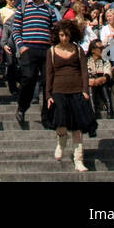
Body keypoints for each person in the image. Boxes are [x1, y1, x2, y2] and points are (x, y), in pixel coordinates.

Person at [45, 20, 92, 171]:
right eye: (61, 35)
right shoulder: (51, 51)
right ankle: (61, 141)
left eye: (67, 35)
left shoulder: (78, 50)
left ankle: (78, 159)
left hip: (76, 90)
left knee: (77, 128)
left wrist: (85, 90)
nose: (64, 38)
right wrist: (48, 95)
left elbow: (84, 72)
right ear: (57, 35)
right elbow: (49, 74)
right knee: (61, 123)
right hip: (58, 90)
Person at [12, 0, 53, 129]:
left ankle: (46, 116)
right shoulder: (22, 8)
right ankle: (22, 108)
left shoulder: (49, 10)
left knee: (48, 83)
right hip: (28, 49)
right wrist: (21, 47)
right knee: (28, 78)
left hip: (46, 50)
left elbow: (54, 30)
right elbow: (16, 29)